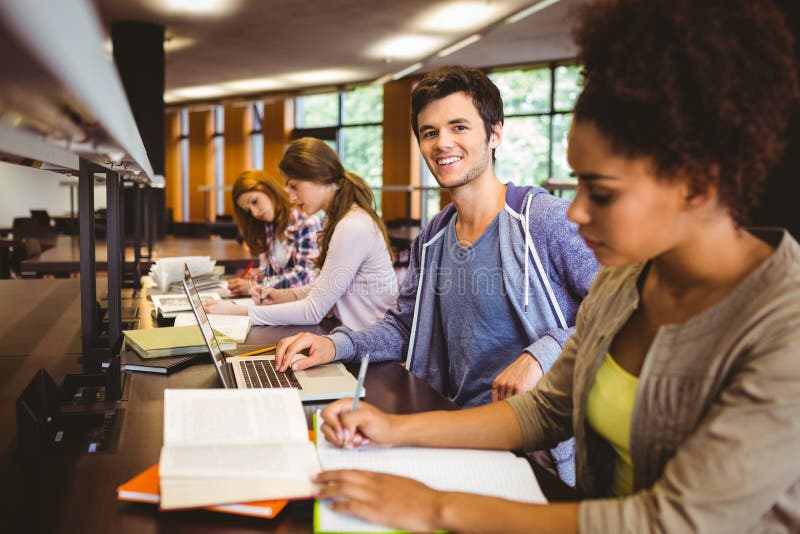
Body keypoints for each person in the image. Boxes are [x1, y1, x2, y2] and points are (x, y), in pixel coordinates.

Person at [311, 0, 800, 531]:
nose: (575, 211)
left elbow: (671, 522)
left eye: (602, 193)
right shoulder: (625, 283)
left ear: (699, 183)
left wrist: (433, 507)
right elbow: (545, 412)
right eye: (577, 182)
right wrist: (392, 430)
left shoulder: (783, 326)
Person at [275, 66, 598, 484]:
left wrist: (545, 351)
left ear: (495, 134)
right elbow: (404, 328)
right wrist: (334, 345)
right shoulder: (433, 237)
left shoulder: (544, 221)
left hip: (537, 455)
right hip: (456, 430)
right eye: (429, 132)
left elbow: (625, 310)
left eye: (458, 126)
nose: (442, 142)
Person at [208, 138, 397, 331]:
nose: (290, 197)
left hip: (371, 344)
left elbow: (313, 311)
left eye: (294, 186)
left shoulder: (352, 225)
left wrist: (237, 311)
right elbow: (327, 285)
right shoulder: (338, 219)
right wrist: (286, 295)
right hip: (353, 335)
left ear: (317, 175)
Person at [226, 170, 323, 297]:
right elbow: (275, 271)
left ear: (269, 190)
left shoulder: (307, 221)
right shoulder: (269, 225)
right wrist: (257, 275)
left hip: (308, 306)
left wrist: (257, 286)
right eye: (248, 210)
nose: (255, 213)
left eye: (255, 202)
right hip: (281, 303)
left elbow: (304, 277)